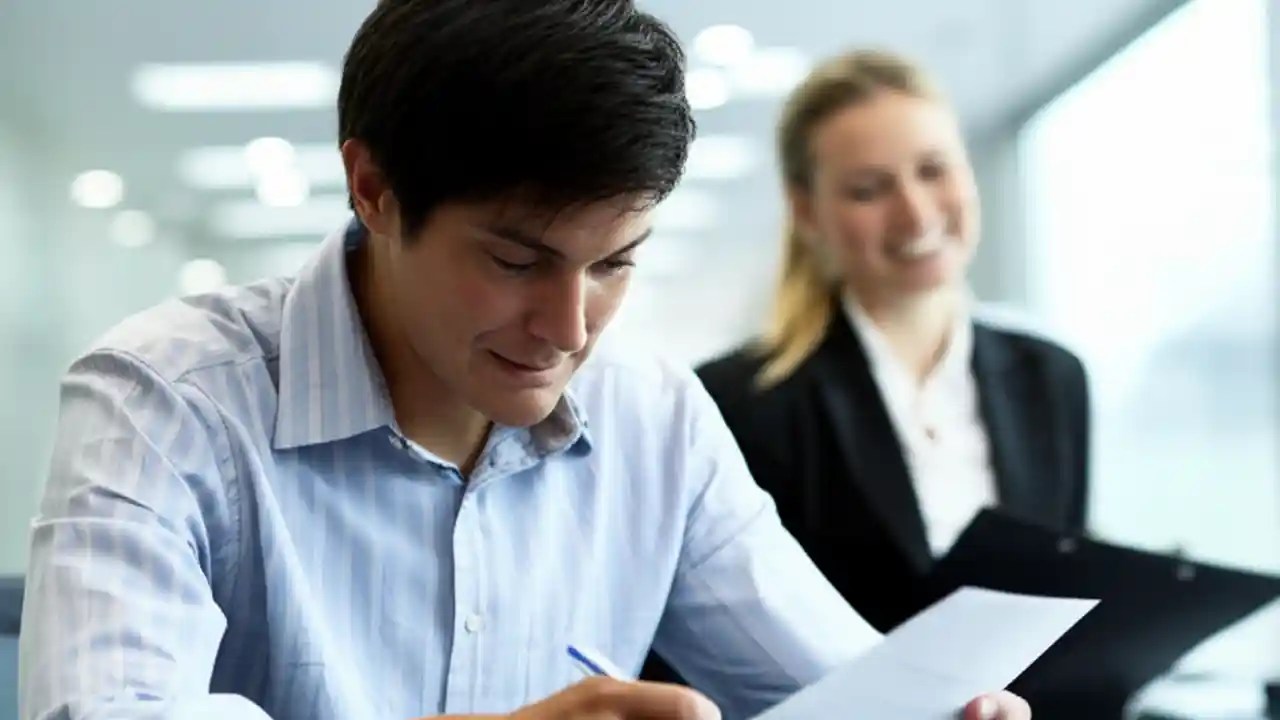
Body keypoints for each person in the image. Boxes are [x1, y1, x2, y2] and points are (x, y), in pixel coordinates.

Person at [18, 5, 1031, 720]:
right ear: (372, 189)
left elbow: (842, 688)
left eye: (614, 264)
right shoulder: (167, 402)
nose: (569, 326)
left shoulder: (653, 419)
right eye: (515, 260)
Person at [694, 48, 1091, 634]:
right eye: (868, 189)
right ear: (807, 212)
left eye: (934, 170)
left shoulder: (1053, 379)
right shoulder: (740, 403)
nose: (915, 212)